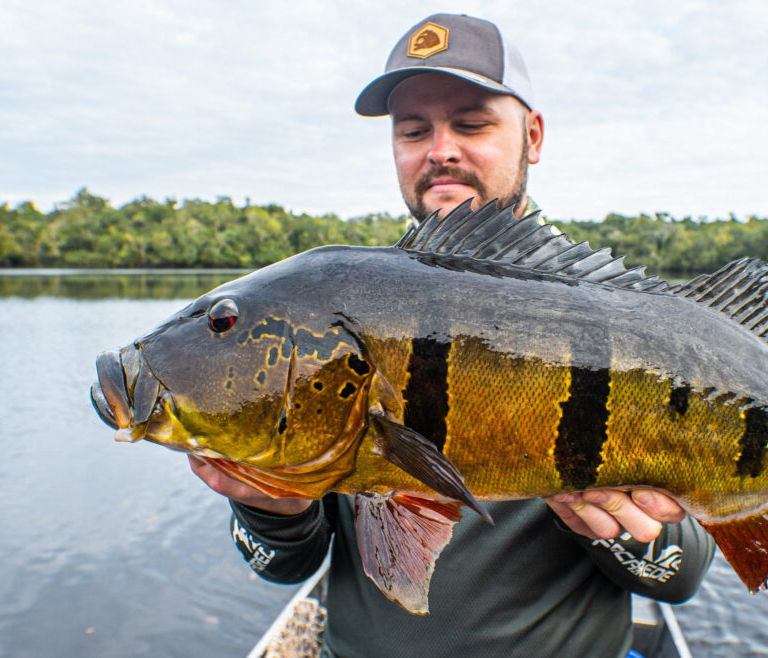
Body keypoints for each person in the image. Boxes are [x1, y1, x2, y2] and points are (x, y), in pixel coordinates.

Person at [189, 13, 715, 658]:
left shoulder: (617, 320)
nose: (440, 149)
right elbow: (285, 566)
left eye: (471, 123)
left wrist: (620, 531)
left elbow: (682, 576)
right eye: (413, 129)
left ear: (533, 135)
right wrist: (269, 507)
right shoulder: (337, 316)